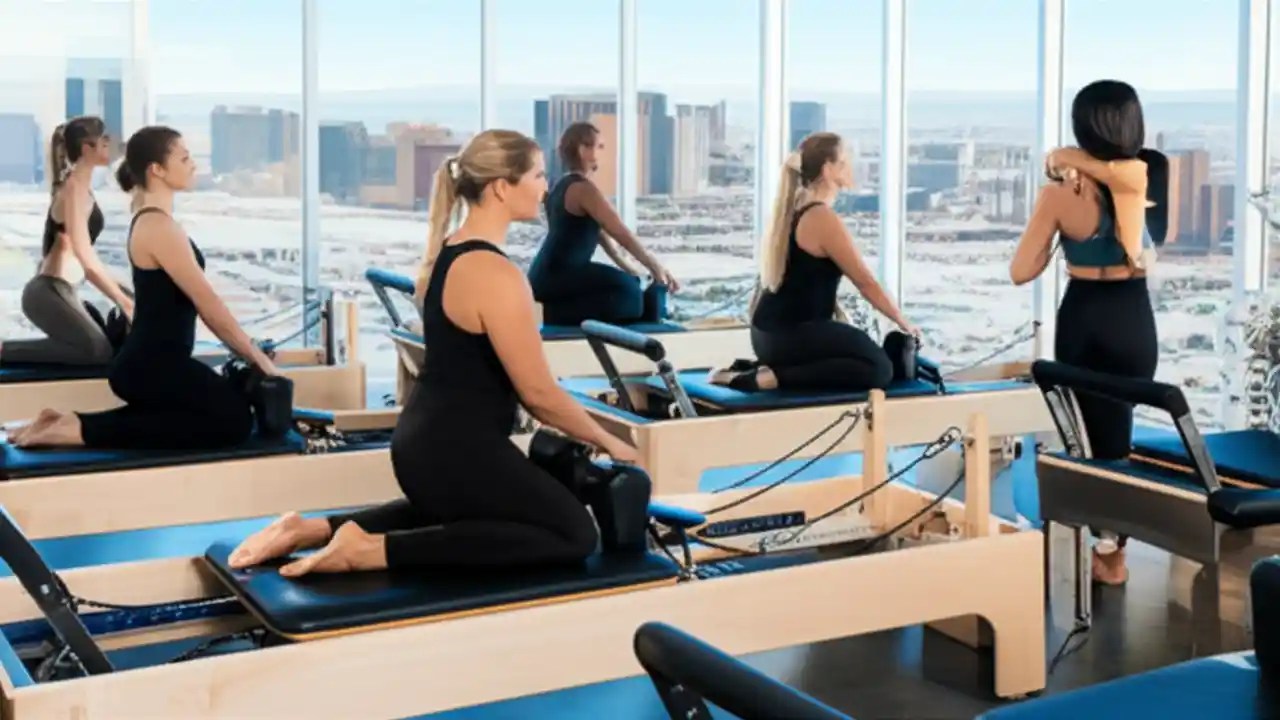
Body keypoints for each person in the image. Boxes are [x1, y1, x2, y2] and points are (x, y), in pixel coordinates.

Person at [226, 129, 640, 577]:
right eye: (538, 176)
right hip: (455, 448)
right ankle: (366, 551)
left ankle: (311, 530)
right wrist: (615, 442)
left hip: (425, 443)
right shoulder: (496, 273)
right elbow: (539, 394)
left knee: (472, 511)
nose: (545, 188)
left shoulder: (452, 251)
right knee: (574, 534)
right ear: (501, 187)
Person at [11, 126, 278, 450]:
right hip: (151, 365)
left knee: (189, 414)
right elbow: (209, 305)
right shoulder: (157, 226)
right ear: (157, 170)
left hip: (155, 362)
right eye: (184, 158)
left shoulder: (155, 221)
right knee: (233, 421)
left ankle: (63, 422)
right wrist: (257, 359)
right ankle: (75, 431)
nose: (193, 164)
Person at [1009, 79, 1167, 585]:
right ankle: (1112, 549)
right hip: (1133, 318)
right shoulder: (1154, 173)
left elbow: (1021, 270)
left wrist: (1057, 213)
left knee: (1086, 440)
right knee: (1118, 434)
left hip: (1086, 315)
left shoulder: (1061, 193)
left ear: (1082, 128)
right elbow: (1155, 234)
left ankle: (1099, 546)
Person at [715, 132, 918, 394]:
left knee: (857, 354)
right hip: (791, 335)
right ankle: (769, 378)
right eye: (844, 161)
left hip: (768, 335)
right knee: (878, 369)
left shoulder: (796, 207)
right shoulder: (821, 217)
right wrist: (903, 322)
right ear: (827, 169)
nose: (851, 166)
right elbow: (865, 282)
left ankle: (755, 369)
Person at [0, 116, 133, 367]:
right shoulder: (72, 190)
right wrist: (123, 301)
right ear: (87, 148)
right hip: (48, 291)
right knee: (97, 351)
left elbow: (86, 255)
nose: (109, 145)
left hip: (65, 290)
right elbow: (85, 258)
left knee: (109, 346)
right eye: (104, 141)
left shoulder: (81, 188)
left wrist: (125, 293)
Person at [527, 122, 679, 326]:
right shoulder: (583, 189)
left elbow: (610, 246)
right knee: (630, 296)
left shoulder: (561, 186)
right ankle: (553, 315)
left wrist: (636, 274)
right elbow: (621, 233)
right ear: (583, 150)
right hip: (560, 275)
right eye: (599, 146)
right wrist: (656, 268)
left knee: (631, 287)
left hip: (545, 276)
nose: (603, 153)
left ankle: (556, 313)